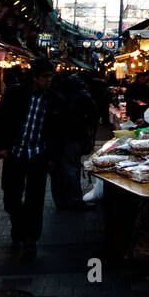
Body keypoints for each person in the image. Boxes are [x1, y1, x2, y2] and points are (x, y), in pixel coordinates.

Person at [0, 58, 63, 260]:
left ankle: (30, 238)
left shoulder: (55, 100)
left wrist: (53, 157)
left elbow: (59, 132)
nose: (49, 80)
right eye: (45, 76)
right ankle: (19, 225)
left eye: (51, 76)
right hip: (15, 153)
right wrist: (0, 148)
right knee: (11, 196)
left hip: (38, 155)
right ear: (35, 77)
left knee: (35, 198)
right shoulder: (15, 94)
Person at [50, 74, 99, 211]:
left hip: (56, 138)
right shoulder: (83, 95)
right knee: (72, 169)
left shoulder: (56, 93)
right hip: (73, 137)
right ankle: (75, 200)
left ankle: (60, 201)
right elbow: (94, 114)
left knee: (57, 170)